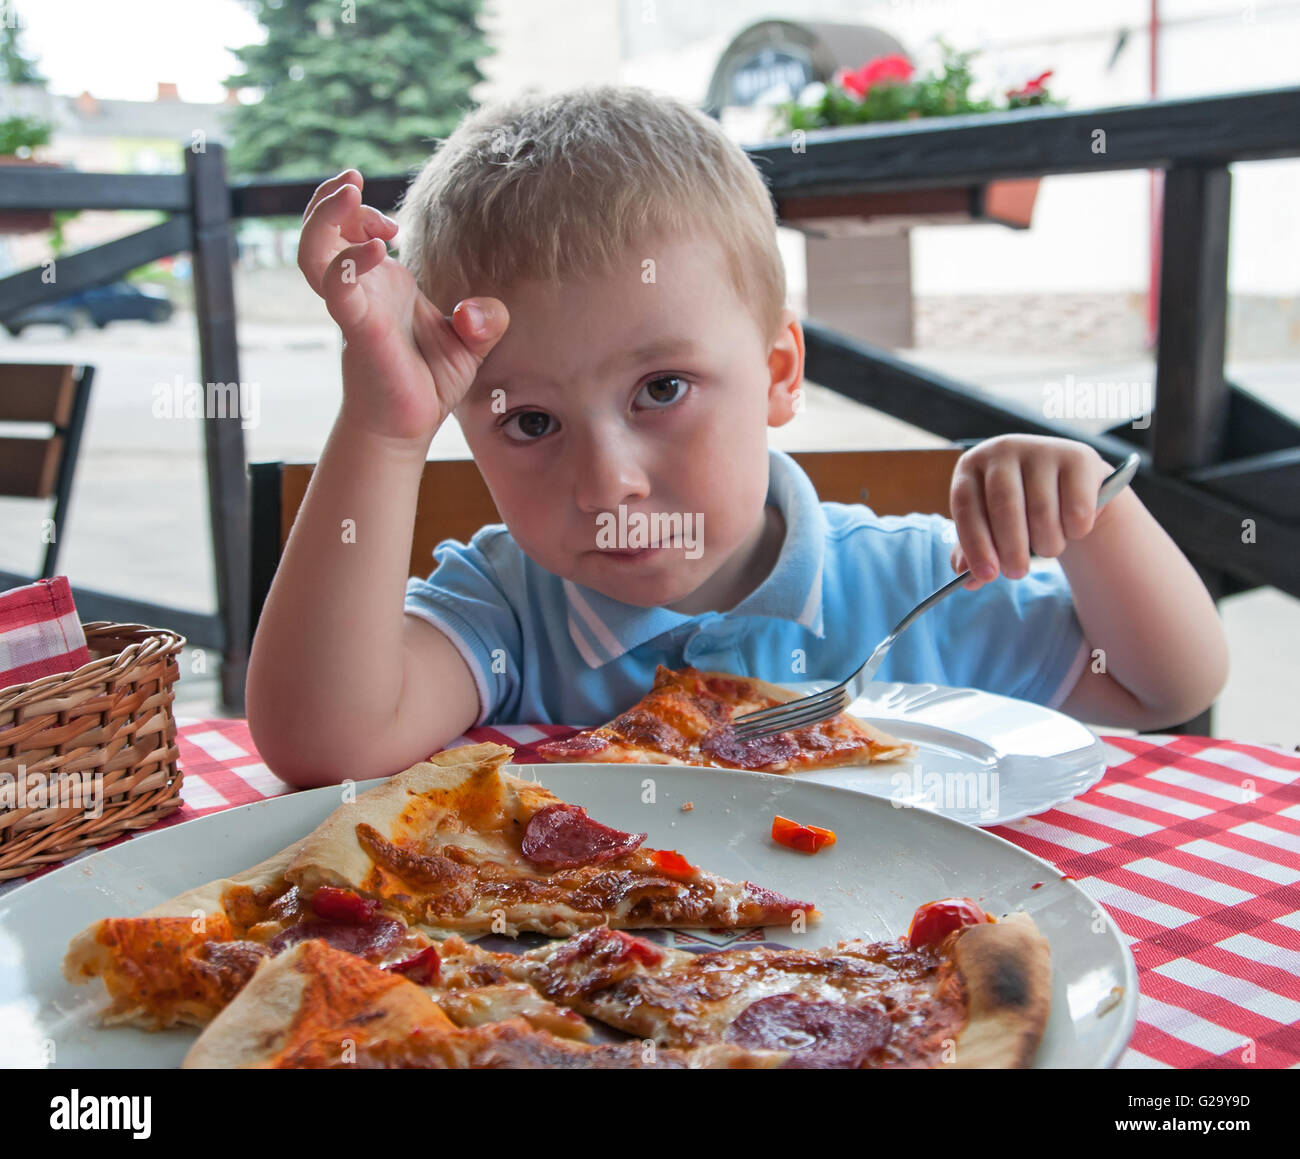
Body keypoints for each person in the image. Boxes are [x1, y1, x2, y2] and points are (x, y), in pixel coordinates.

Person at [246, 85, 1229, 790]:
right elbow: (324, 745)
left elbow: (1162, 684)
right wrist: (381, 431)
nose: (606, 484)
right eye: (532, 422)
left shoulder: (912, 587)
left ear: (777, 374)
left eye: (661, 388)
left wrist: (1094, 508)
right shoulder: (505, 615)